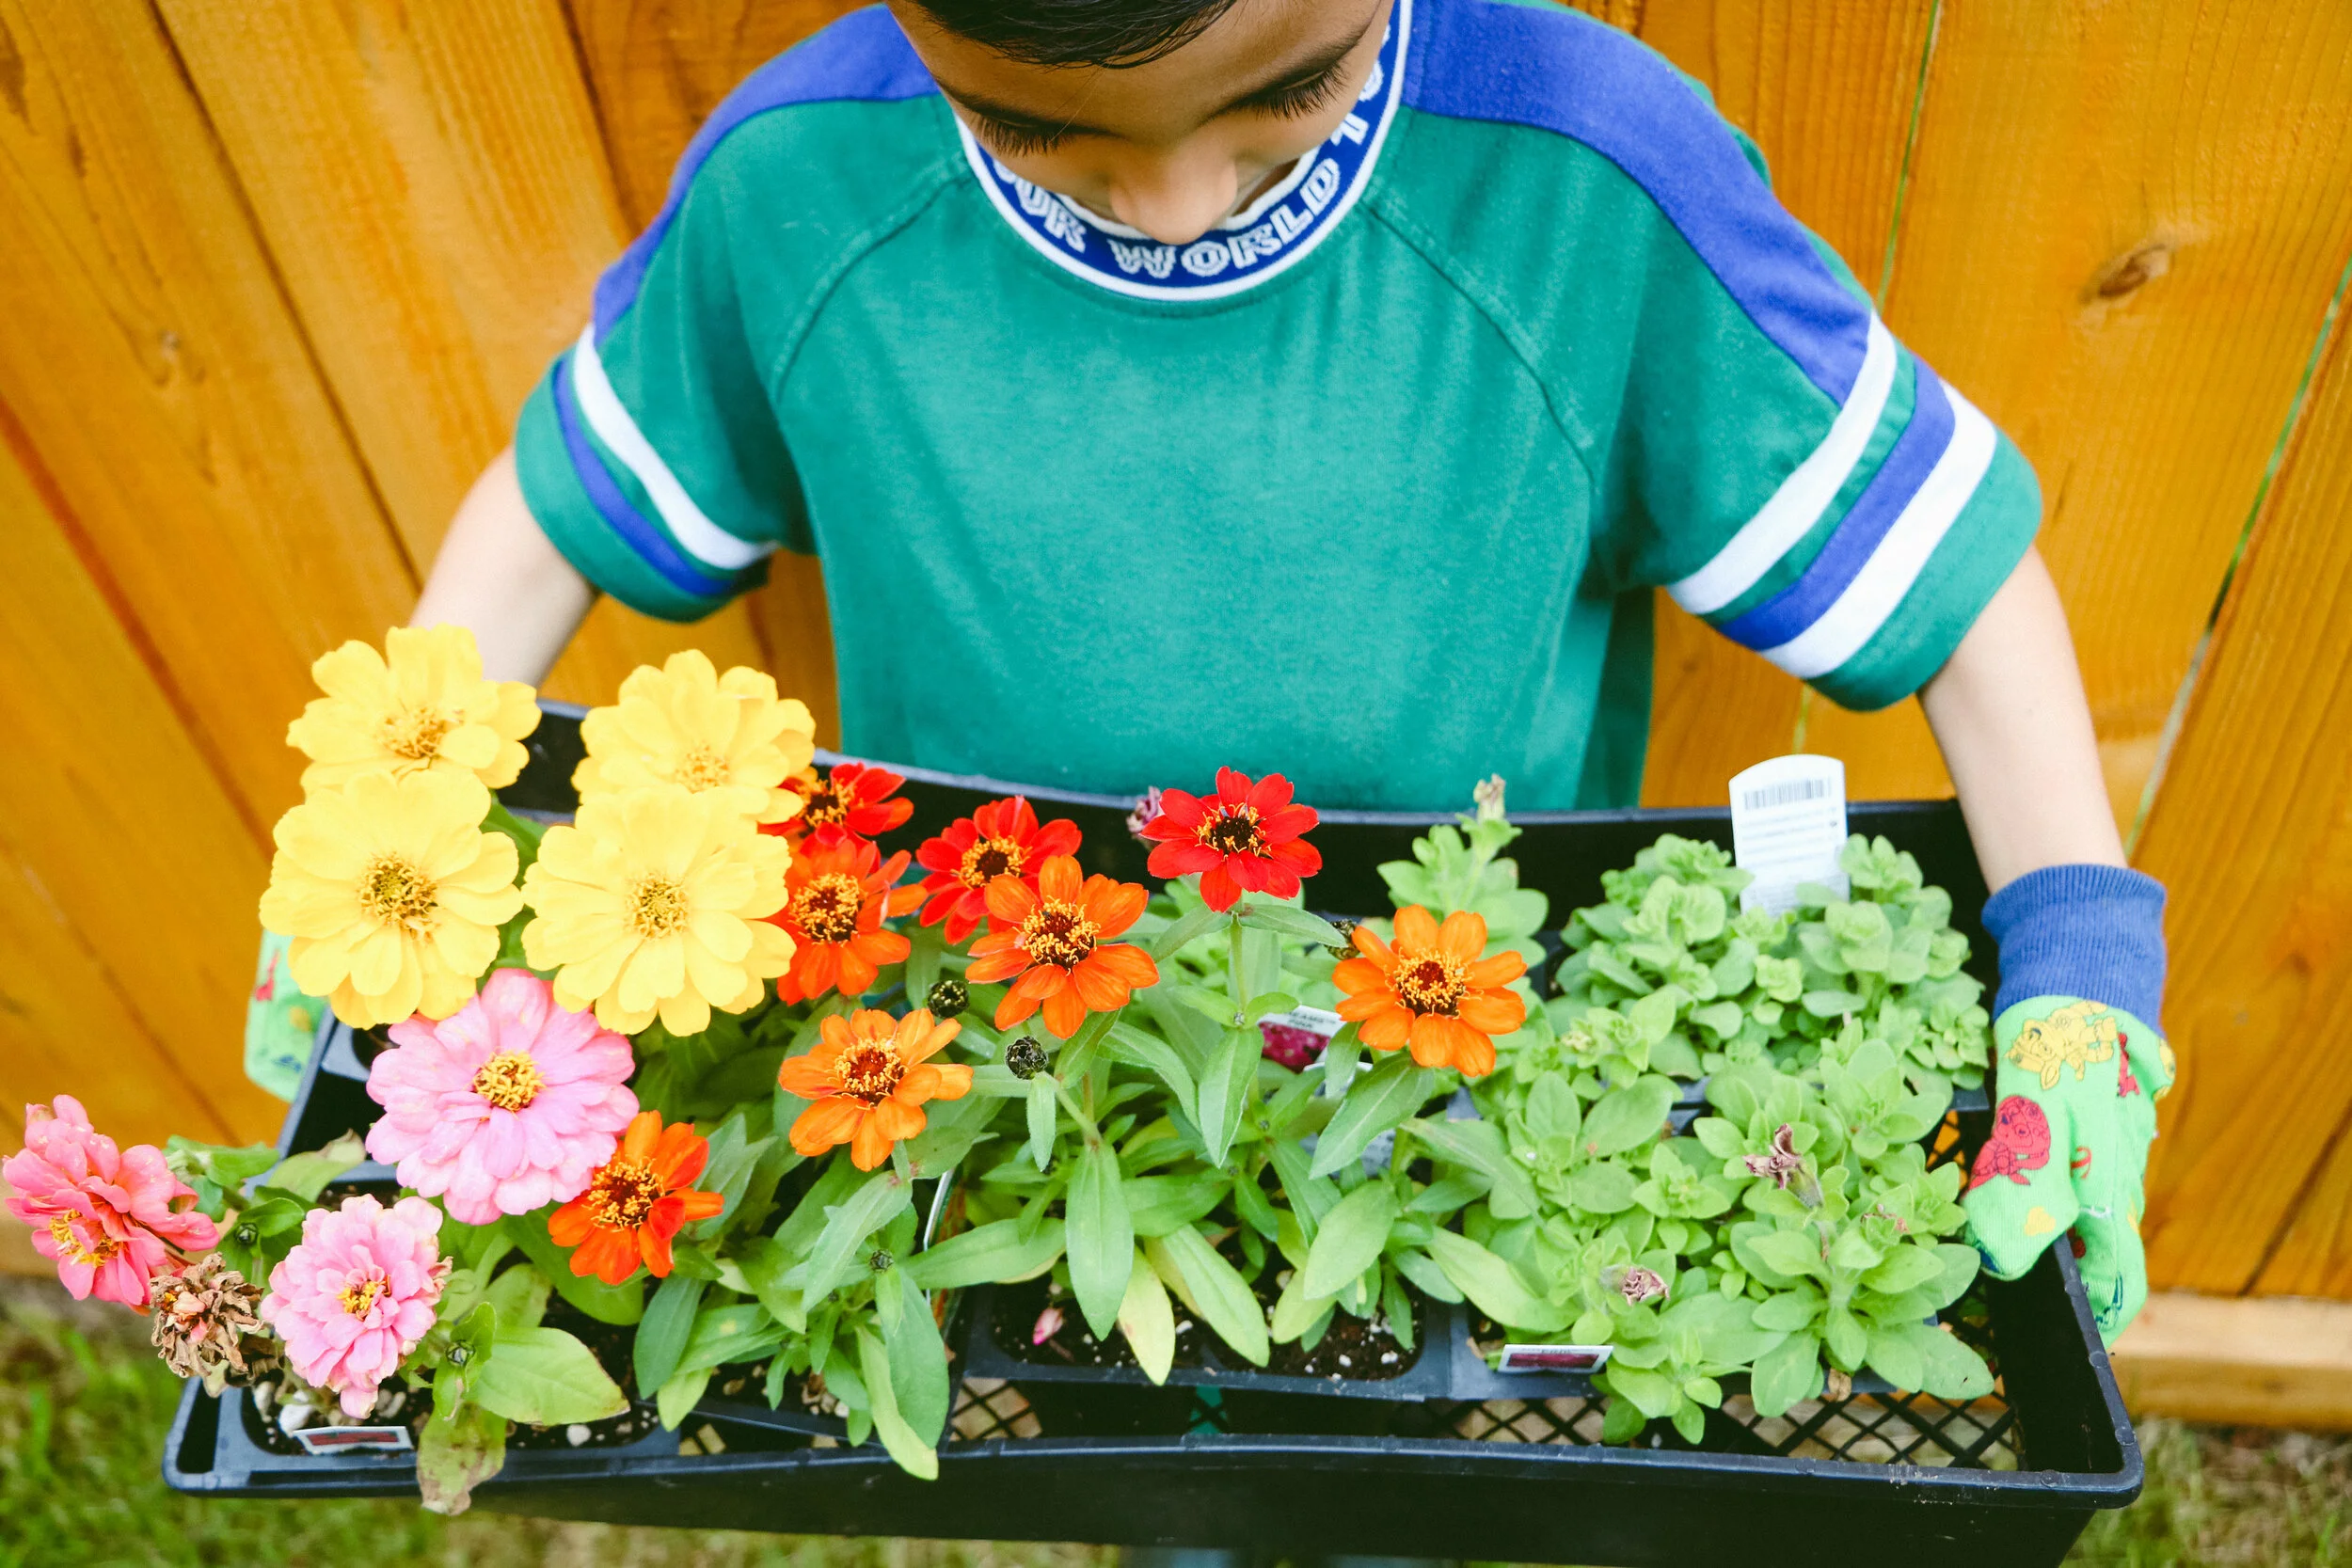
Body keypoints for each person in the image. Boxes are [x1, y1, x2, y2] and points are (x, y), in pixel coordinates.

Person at [405, 0, 2169, 1347]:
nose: (1171, 199)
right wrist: (392, 823)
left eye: (1286, 93)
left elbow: (1947, 567)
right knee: (1118, 1393)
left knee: (1400, 1406)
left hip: (1454, 1045)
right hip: (987, 1062)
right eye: (1031, 129)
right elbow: (567, 495)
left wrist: (2082, 957)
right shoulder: (803, 178)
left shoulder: (1577, 171)